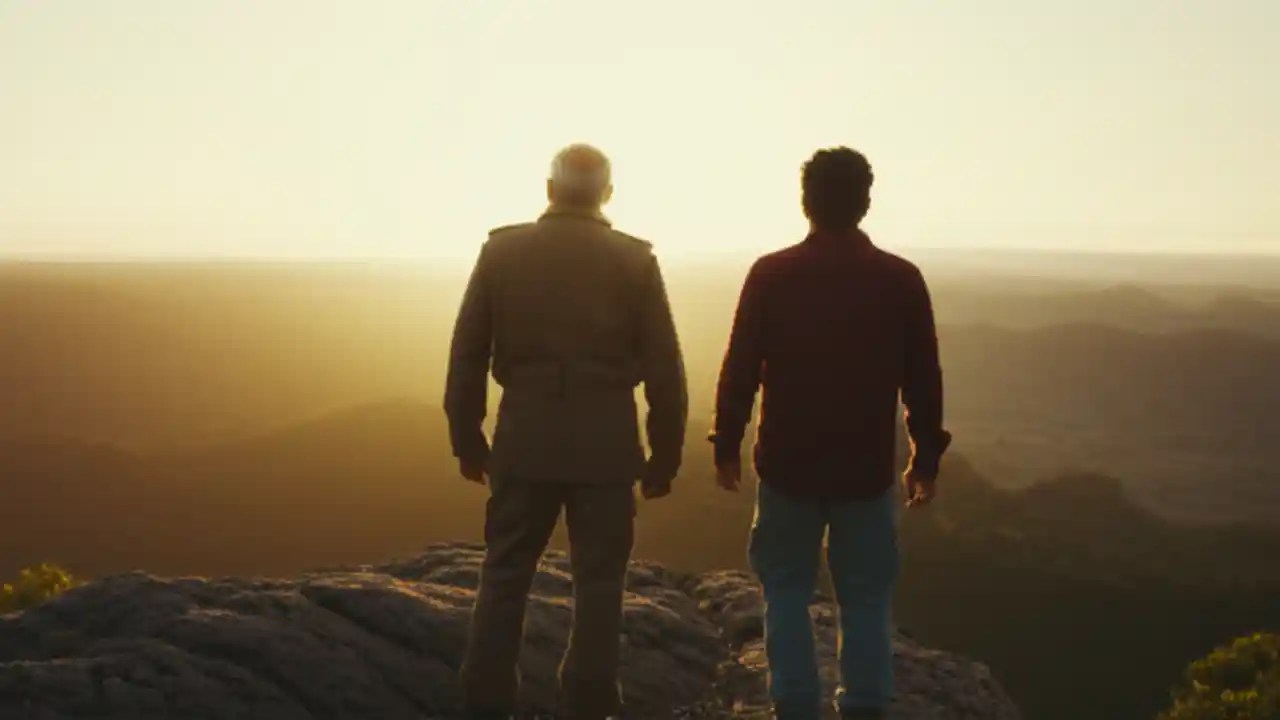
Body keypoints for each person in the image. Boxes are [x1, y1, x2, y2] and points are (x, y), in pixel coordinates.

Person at [444, 143, 688, 720]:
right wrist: (664, 457)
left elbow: (468, 353)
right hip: (605, 449)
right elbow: (664, 367)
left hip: (523, 440)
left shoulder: (502, 252)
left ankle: (485, 702)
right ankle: (588, 705)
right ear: (606, 194)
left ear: (550, 189)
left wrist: (467, 438)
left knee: (504, 576)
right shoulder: (634, 261)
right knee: (600, 586)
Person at [710, 147, 951, 720]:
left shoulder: (772, 274)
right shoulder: (901, 279)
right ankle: (863, 706)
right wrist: (924, 458)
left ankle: (794, 706)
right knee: (866, 597)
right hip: (865, 471)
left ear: (805, 201)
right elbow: (924, 377)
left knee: (786, 591)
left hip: (787, 465)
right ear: (865, 202)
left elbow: (740, 364)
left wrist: (727, 442)